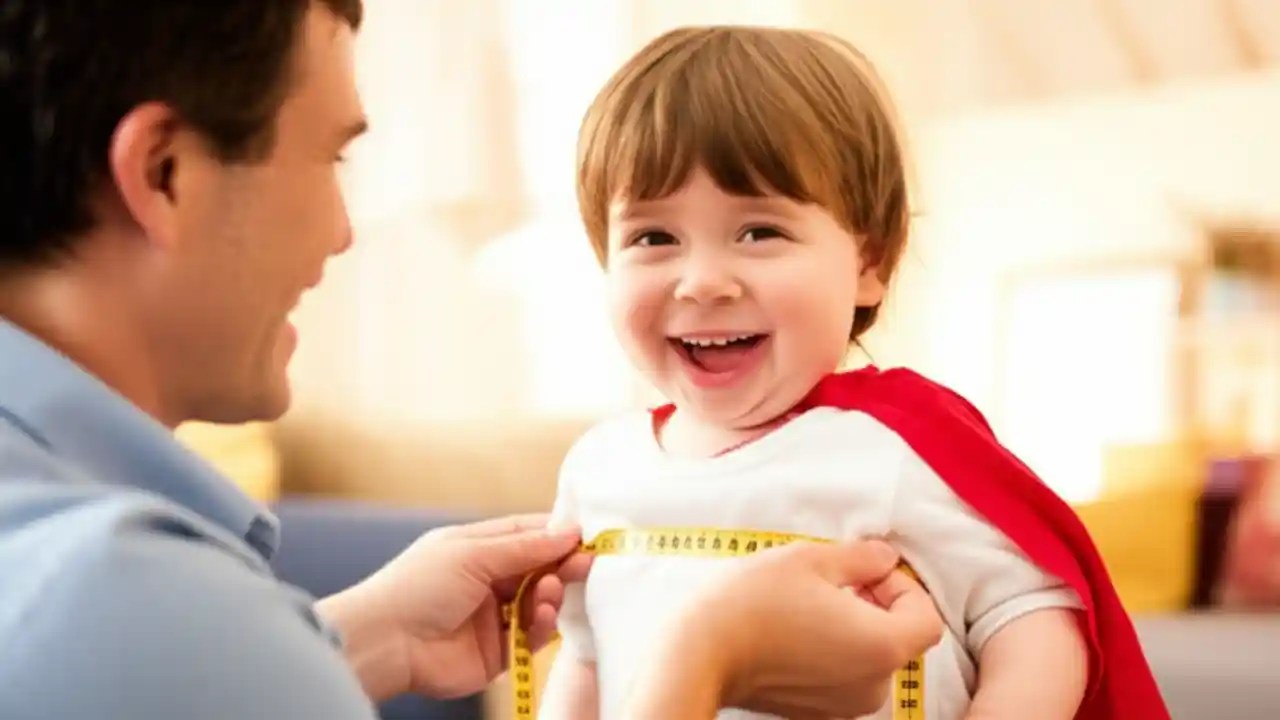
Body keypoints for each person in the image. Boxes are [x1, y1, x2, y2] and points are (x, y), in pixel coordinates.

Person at [0, 3, 944, 719]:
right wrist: (704, 658)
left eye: (758, 232)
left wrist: (343, 641)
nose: (340, 234)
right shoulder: (125, 601)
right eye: (330, 158)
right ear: (166, 175)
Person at [542, 26, 1171, 720]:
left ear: (869, 263)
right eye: (652, 238)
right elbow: (584, 658)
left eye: (759, 232)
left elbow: (1034, 624)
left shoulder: (902, 451)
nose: (703, 282)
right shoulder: (597, 471)